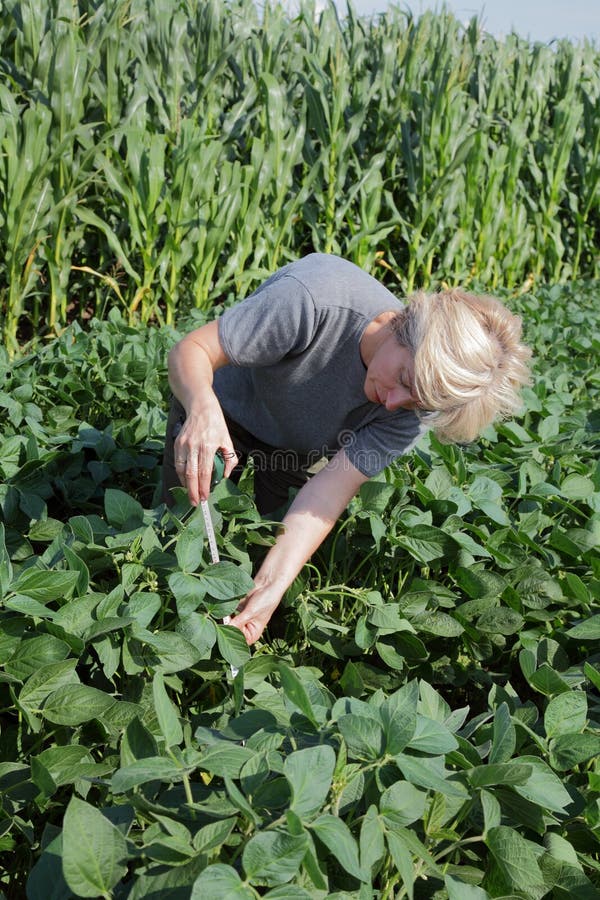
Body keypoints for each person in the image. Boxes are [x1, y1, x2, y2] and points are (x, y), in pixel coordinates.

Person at [163, 253, 531, 644]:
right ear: (402, 325)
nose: (392, 403)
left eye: (416, 400)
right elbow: (191, 351)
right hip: (221, 412)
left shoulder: (412, 410)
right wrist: (201, 406)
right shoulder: (314, 300)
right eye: (404, 379)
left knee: (265, 549)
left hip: (298, 445)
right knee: (181, 534)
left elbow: (326, 495)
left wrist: (270, 589)